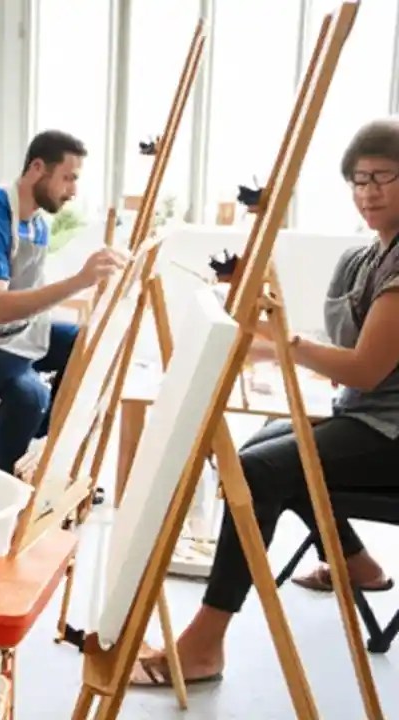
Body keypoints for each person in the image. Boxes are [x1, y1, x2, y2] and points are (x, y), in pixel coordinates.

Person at [133, 118, 399, 688]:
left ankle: (205, 644)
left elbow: (365, 369)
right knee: (261, 446)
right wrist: (246, 346)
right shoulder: (362, 259)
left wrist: (282, 342)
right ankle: (357, 562)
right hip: (365, 418)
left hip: (391, 435)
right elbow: (336, 351)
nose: (369, 192)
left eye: (384, 177)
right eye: (359, 179)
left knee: (258, 470)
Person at [0, 130, 125, 474]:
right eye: (68, 178)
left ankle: (27, 449)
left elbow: (28, 294)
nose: (73, 191)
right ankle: (0, 480)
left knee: (86, 345)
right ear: (37, 168)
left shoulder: (38, 223)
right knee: (30, 395)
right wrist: (79, 281)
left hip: (17, 329)